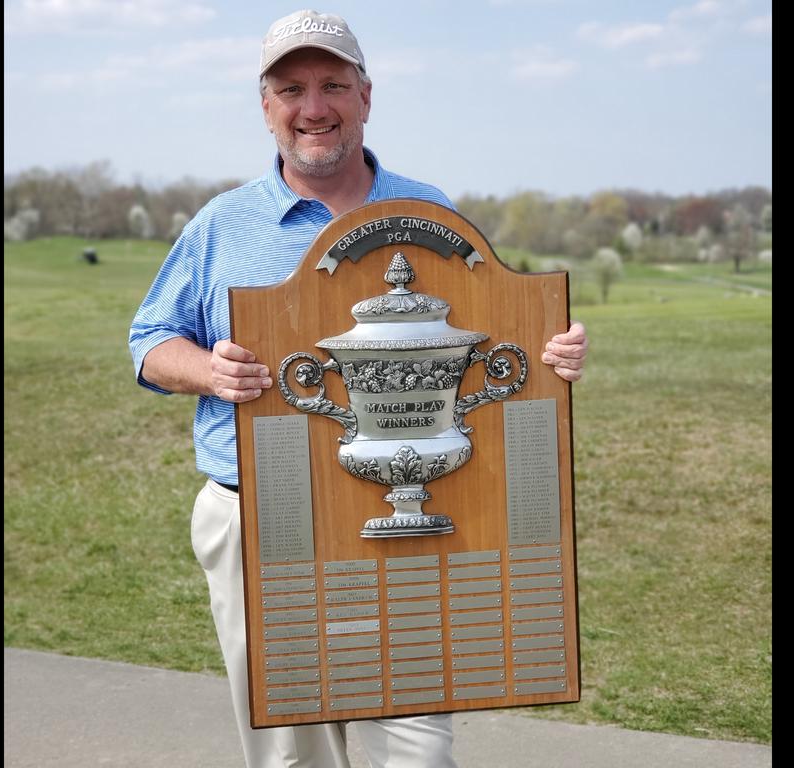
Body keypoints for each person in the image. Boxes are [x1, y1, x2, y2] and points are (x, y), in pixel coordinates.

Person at [129, 10, 589, 768]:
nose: (315, 107)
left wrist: (555, 356)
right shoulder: (221, 224)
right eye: (293, 88)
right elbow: (147, 342)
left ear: (367, 96)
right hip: (263, 521)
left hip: (415, 515)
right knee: (292, 757)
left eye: (334, 84)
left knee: (414, 750)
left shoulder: (429, 210)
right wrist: (207, 369)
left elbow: (497, 342)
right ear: (266, 105)